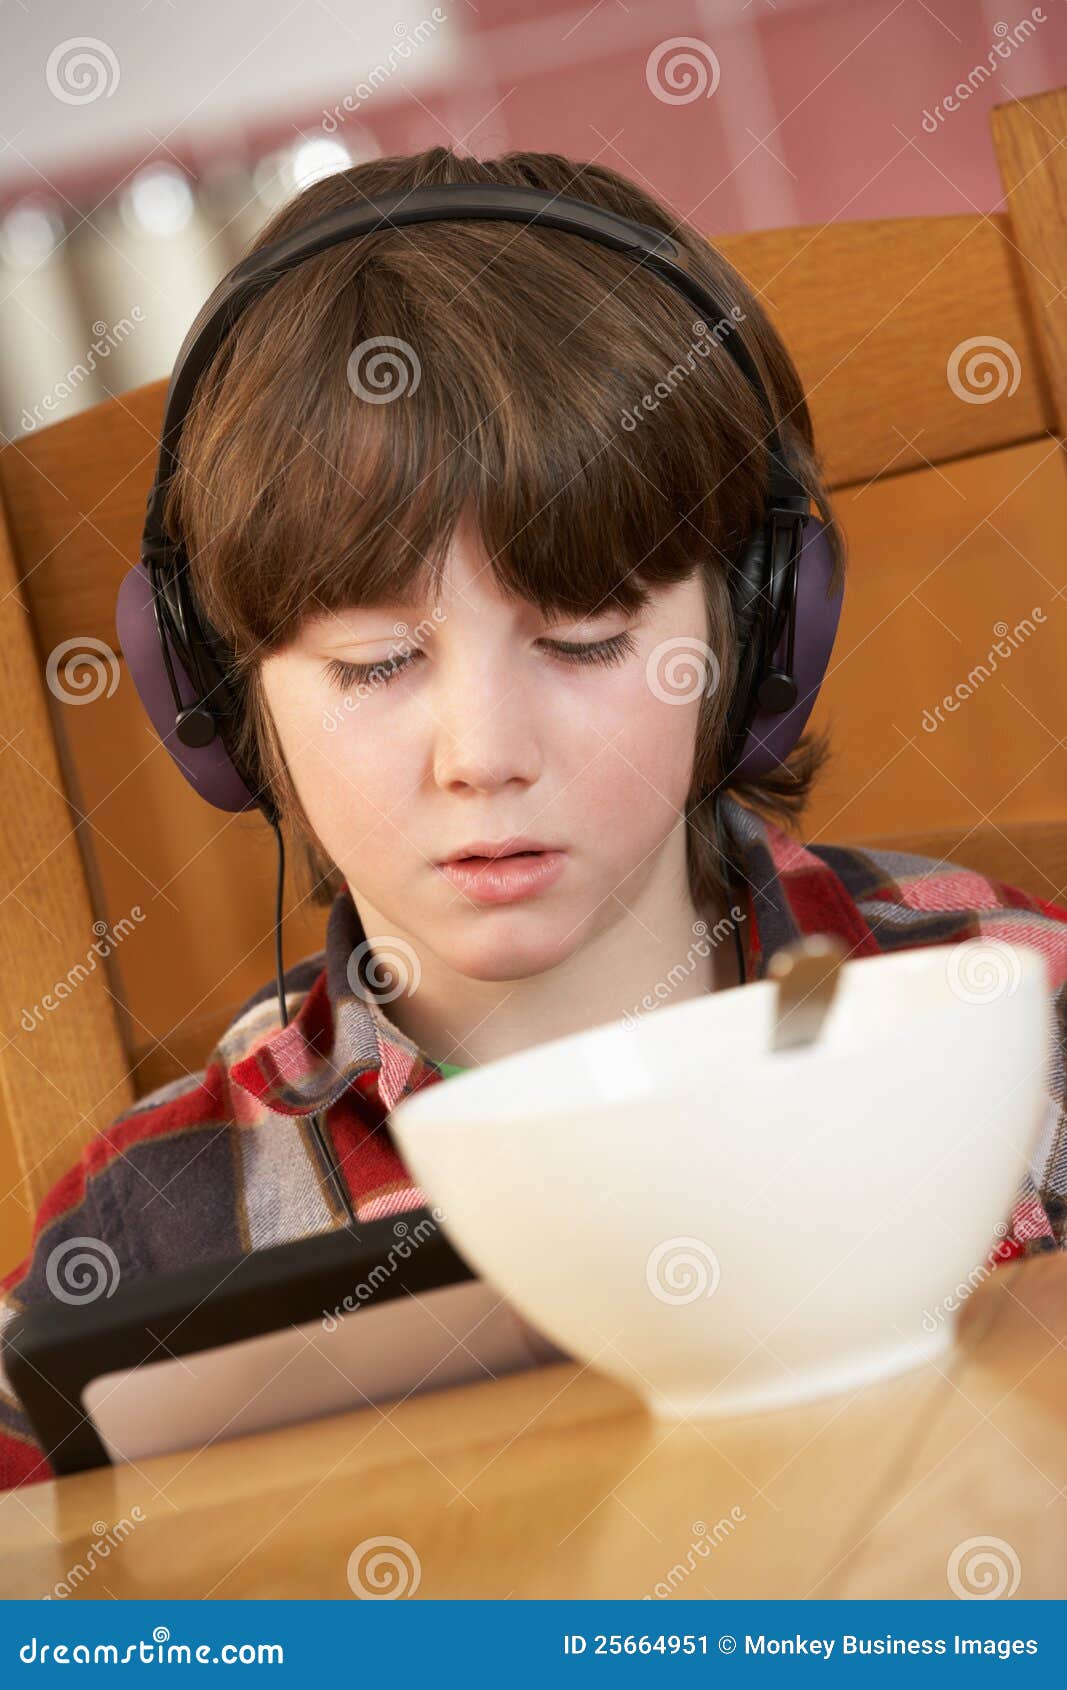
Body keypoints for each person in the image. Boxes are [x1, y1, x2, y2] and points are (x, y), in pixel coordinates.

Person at [2, 144, 1065, 1493]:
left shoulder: (1031, 1013)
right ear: (213, 696)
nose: (485, 756)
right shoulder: (148, 1233)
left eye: (582, 638)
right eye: (377, 664)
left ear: (761, 635)